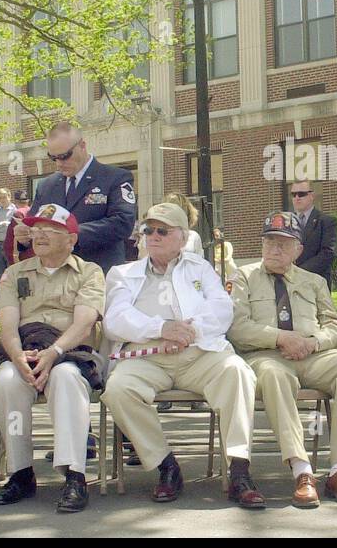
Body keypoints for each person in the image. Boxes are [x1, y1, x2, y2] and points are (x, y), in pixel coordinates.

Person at [101, 202, 263, 508]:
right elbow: (115, 320)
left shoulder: (200, 268)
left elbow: (222, 308)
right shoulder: (122, 273)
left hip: (197, 354)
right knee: (119, 390)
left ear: (182, 237)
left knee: (237, 372)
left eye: (163, 230)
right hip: (145, 358)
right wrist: (162, 328)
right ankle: (166, 466)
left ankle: (240, 469)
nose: (154, 235)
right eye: (148, 229)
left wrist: (190, 331)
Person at [227, 212, 337, 507]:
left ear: (298, 250)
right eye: (269, 242)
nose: (274, 249)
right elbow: (237, 328)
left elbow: (335, 327)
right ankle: (302, 471)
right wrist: (280, 337)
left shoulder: (314, 281)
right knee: (274, 375)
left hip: (314, 355)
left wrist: (312, 342)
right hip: (265, 355)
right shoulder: (244, 277)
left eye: (283, 244)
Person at [0, 204, 105, 513]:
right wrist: (16, 356)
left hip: (70, 351)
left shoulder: (89, 273)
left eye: (49, 229)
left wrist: (53, 353)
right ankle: (20, 472)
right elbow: (9, 325)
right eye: (35, 228)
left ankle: (74, 475)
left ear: (70, 239)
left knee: (66, 378)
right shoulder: (14, 274)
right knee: (5, 382)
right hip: (25, 350)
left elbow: (83, 324)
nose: (38, 234)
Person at [21, 121, 137, 275]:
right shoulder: (46, 185)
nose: (59, 164)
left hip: (97, 271)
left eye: (65, 156)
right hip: (53, 276)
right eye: (53, 158)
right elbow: (34, 223)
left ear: (82, 146)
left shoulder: (115, 177)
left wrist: (70, 234)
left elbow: (123, 223)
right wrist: (24, 236)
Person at [291, 180, 337, 288]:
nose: (297, 198)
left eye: (301, 194)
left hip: (316, 282)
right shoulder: (287, 222)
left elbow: (328, 253)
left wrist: (298, 272)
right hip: (289, 284)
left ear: (312, 196)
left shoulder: (326, 221)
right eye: (293, 194)